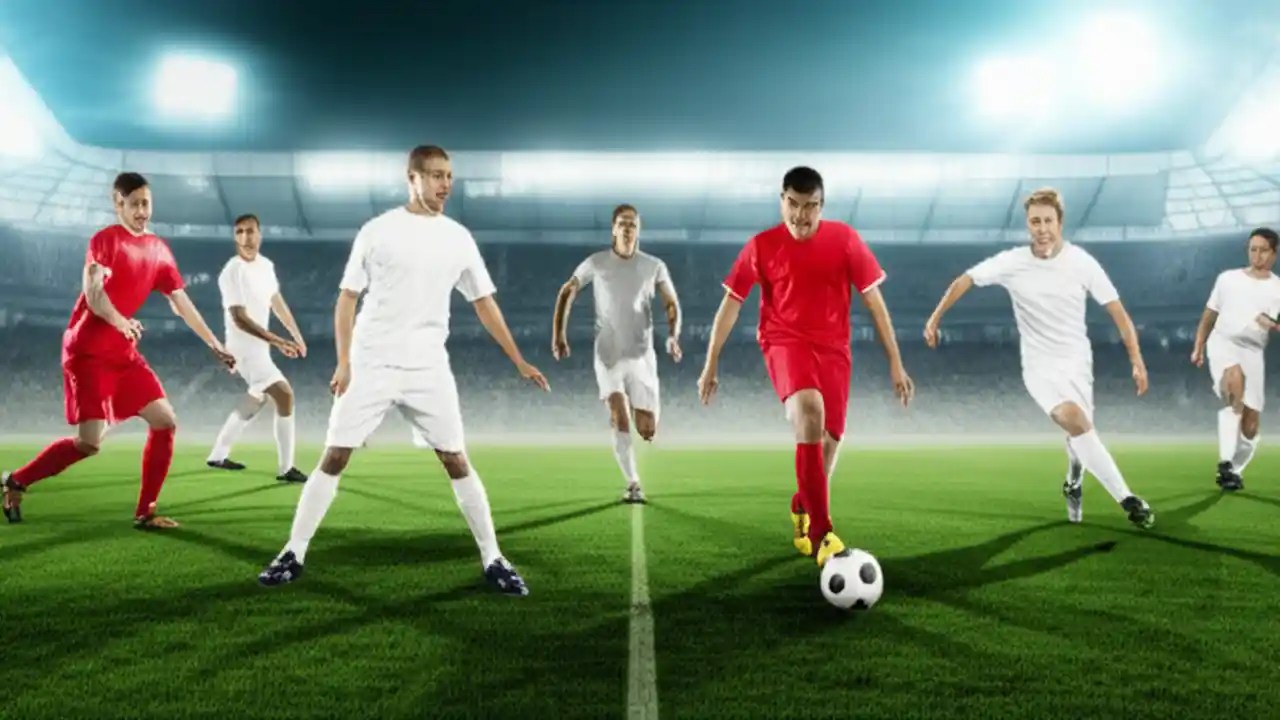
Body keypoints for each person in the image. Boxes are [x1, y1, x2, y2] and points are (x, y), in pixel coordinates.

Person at [257, 145, 549, 596]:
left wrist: (518, 359)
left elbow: (484, 303)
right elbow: (347, 299)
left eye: (449, 175)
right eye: (435, 175)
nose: (444, 184)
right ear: (411, 179)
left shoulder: (458, 237)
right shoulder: (378, 231)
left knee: (456, 459)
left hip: (428, 367)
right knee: (334, 456)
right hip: (372, 361)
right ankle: (293, 552)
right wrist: (345, 362)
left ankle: (493, 557)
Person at [697, 166, 914, 568]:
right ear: (782, 201)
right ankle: (823, 535)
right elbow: (731, 304)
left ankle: (802, 505)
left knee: (828, 447)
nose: (800, 216)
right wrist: (711, 362)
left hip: (834, 350)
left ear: (822, 206)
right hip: (784, 342)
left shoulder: (845, 240)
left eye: (810, 207)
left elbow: (875, 303)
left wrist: (896, 362)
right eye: (793, 205)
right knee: (810, 411)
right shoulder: (760, 246)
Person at [1, 172, 235, 528]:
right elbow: (94, 293)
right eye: (135, 203)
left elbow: (180, 302)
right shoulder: (104, 241)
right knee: (89, 444)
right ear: (118, 203)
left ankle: (146, 513)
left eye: (147, 203)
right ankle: (16, 480)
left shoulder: (158, 249)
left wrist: (214, 343)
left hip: (122, 354)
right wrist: (120, 321)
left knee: (165, 420)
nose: (142, 211)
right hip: (89, 351)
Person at [923, 187, 1154, 528]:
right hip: (1039, 367)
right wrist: (934, 317)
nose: (1041, 228)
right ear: (1028, 225)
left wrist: (1136, 359)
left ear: (1060, 223)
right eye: (1035, 222)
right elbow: (966, 279)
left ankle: (1073, 482)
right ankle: (1128, 499)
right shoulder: (1013, 262)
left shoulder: (1082, 262)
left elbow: (1118, 313)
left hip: (1077, 363)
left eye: (1048, 220)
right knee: (1074, 420)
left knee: (1081, 433)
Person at [551, 203, 682, 504]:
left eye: (632, 224)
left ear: (639, 229)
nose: (627, 228)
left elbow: (671, 303)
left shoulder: (653, 266)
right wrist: (558, 333)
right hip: (608, 354)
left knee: (647, 430)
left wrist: (673, 336)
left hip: (642, 357)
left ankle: (645, 423)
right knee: (618, 415)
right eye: (622, 223)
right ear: (613, 228)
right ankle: (633, 482)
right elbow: (566, 291)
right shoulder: (596, 263)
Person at [205, 213, 308, 483]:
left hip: (259, 348)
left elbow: (276, 301)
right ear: (234, 237)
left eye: (250, 231)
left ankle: (218, 454)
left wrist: (295, 334)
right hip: (243, 348)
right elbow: (239, 318)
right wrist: (279, 341)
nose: (245, 237)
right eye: (239, 232)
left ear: (259, 234)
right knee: (284, 394)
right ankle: (286, 468)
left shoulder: (266, 266)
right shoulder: (232, 271)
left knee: (255, 399)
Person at [1190, 227, 1280, 491]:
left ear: (1274, 254)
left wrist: (1271, 323)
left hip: (1253, 351)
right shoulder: (1227, 279)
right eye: (1253, 249)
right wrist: (1198, 345)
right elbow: (1210, 314)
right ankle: (1225, 462)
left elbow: (1272, 321)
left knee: (1250, 426)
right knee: (1234, 381)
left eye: (1263, 250)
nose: (1257, 255)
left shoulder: (1278, 288)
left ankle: (1234, 470)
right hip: (1223, 343)